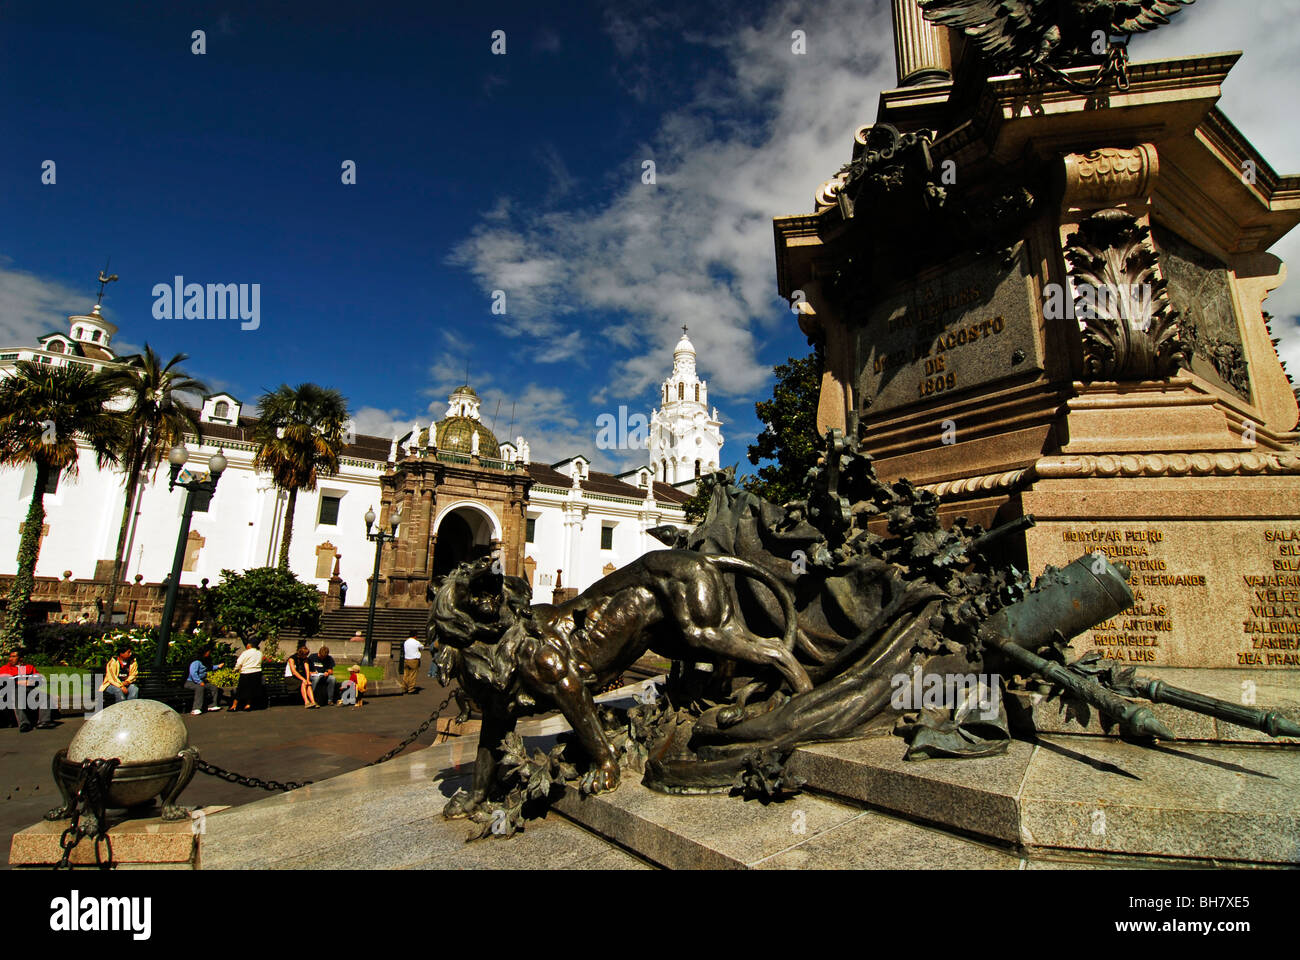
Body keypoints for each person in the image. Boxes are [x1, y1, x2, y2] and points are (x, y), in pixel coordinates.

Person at [0, 649, 54, 731]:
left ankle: (44, 721)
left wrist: (30, 682)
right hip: (12, 692)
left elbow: (40, 679)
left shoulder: (29, 668)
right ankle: (24, 723)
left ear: (21, 658)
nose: (10, 659)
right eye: (10, 656)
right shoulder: (5, 669)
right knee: (17, 694)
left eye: (13, 656)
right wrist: (18, 682)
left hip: (29, 691)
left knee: (46, 696)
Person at [184, 645, 224, 715]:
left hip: (201, 681)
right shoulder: (196, 662)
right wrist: (199, 682)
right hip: (191, 682)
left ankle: (212, 705)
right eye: (208, 652)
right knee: (200, 688)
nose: (209, 653)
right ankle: (196, 708)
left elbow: (209, 668)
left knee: (213, 687)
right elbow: (193, 673)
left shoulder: (205, 661)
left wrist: (218, 666)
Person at [229, 640, 263, 712]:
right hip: (257, 672)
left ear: (249, 646)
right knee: (251, 689)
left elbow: (239, 663)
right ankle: (248, 705)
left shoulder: (245, 653)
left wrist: (235, 669)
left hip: (246, 673)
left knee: (240, 690)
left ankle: (234, 705)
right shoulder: (259, 653)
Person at [289, 644, 319, 708]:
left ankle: (313, 701)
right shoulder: (292, 658)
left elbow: (307, 670)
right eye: (305, 655)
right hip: (290, 678)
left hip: (300, 678)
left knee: (308, 684)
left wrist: (307, 679)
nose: (306, 656)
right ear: (301, 654)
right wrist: (303, 679)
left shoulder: (305, 659)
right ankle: (306, 702)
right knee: (304, 682)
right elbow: (294, 672)